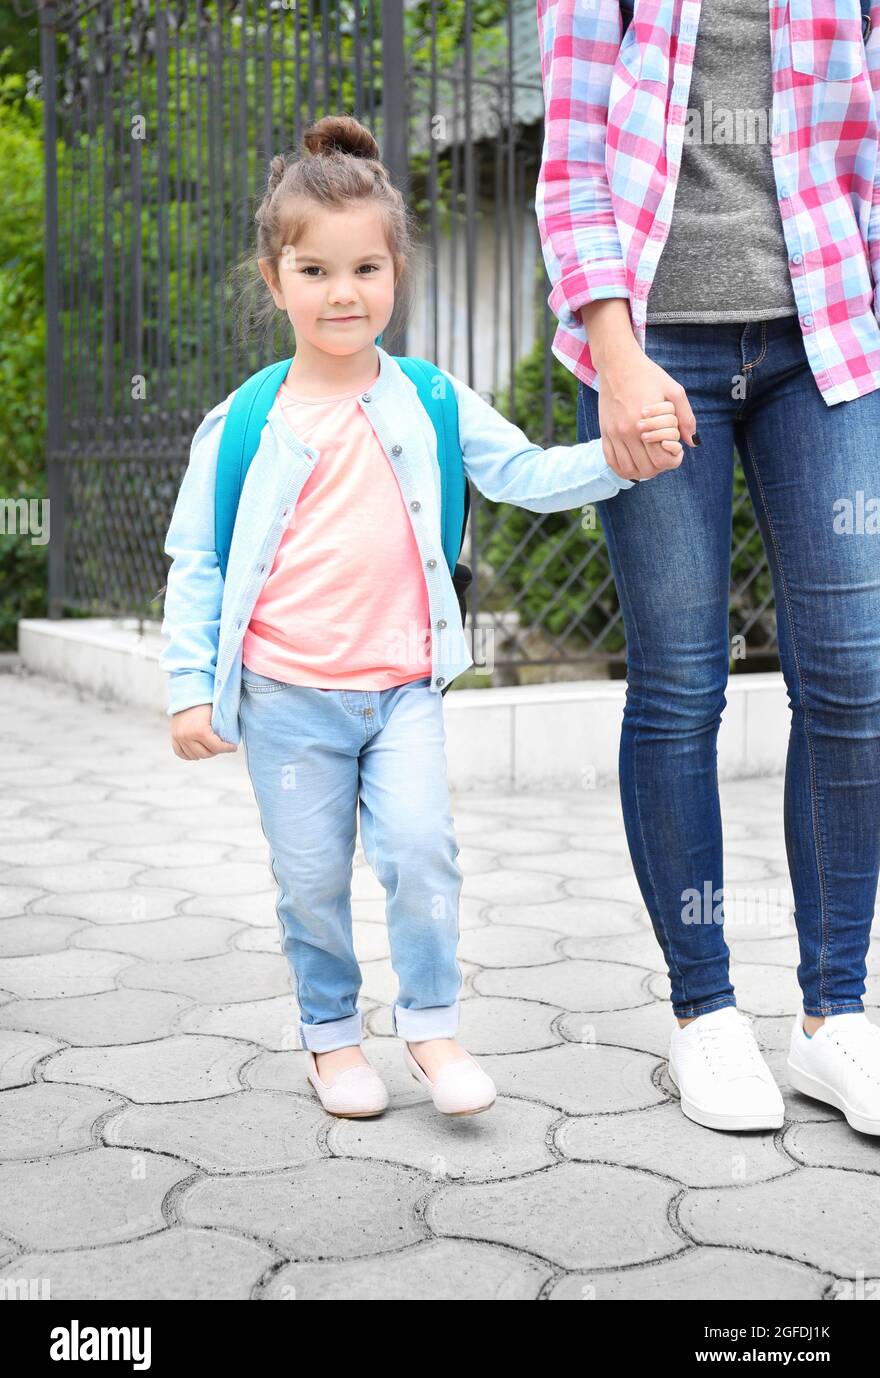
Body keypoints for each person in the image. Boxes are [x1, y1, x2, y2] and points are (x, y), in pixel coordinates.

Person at [160, 113, 683, 1121]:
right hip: (284, 700)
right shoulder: (242, 424)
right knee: (310, 880)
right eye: (313, 271)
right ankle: (331, 1041)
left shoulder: (431, 401)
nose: (341, 292)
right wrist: (191, 690)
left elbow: (525, 473)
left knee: (422, 854)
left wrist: (617, 461)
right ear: (274, 281)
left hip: (401, 691)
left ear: (395, 274)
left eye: (364, 268)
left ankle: (433, 1026)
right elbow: (198, 563)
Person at [536, 0, 880, 1135]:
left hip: (822, 341)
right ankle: (706, 1011)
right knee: (681, 682)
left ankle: (835, 1015)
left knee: (851, 680)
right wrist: (616, 356)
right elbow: (575, 156)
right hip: (655, 346)